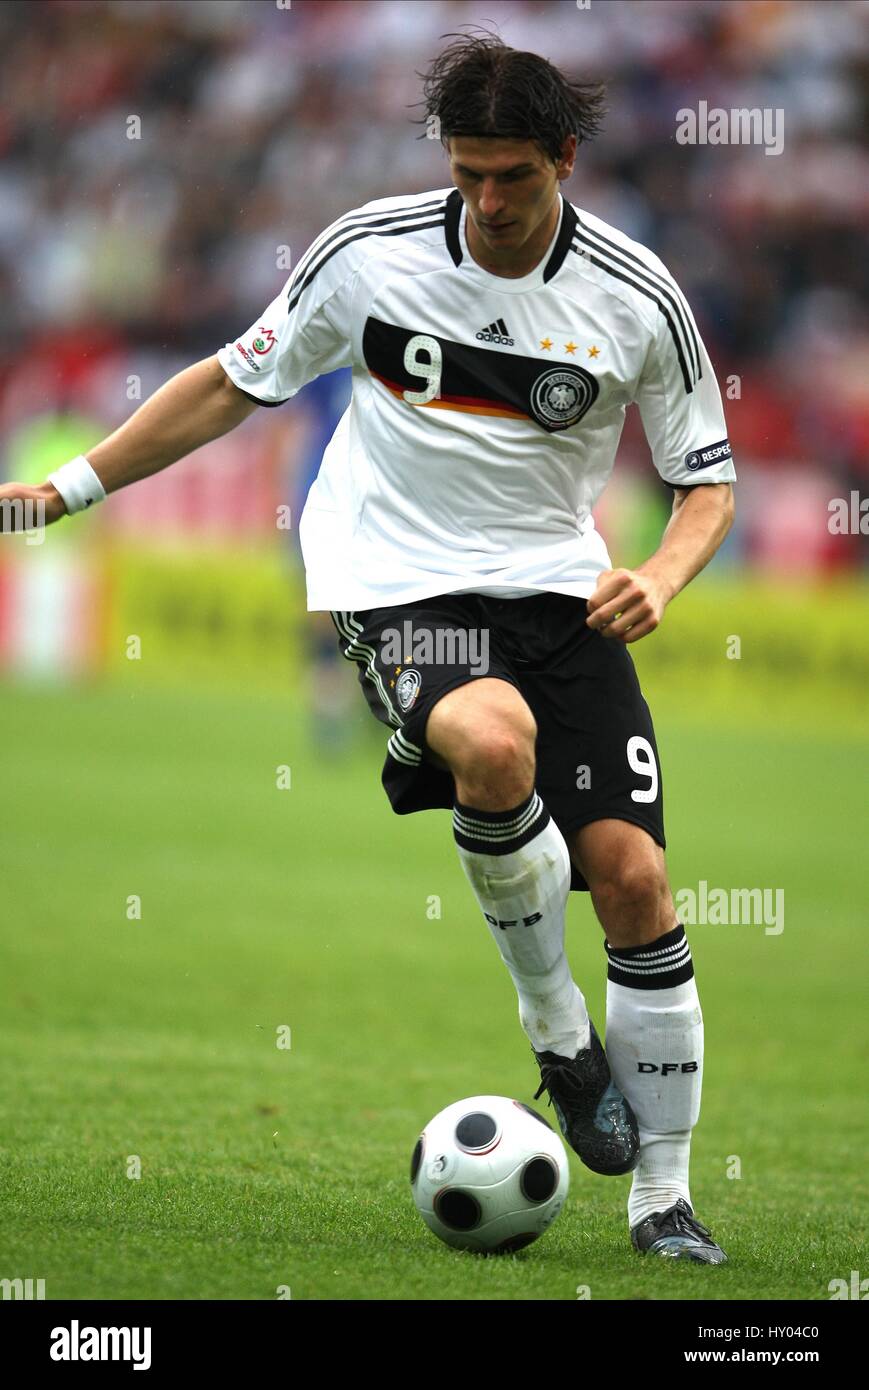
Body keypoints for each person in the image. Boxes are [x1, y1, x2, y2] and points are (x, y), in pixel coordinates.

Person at [0, 33, 735, 1263]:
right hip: (393, 580)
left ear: (563, 158)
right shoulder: (367, 253)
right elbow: (233, 382)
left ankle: (661, 1201)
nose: (486, 202)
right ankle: (556, 1029)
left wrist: (658, 574)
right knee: (491, 747)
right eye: (465, 175)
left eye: (511, 176)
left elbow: (706, 480)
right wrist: (65, 488)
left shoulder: (635, 294)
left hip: (557, 592)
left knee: (636, 884)